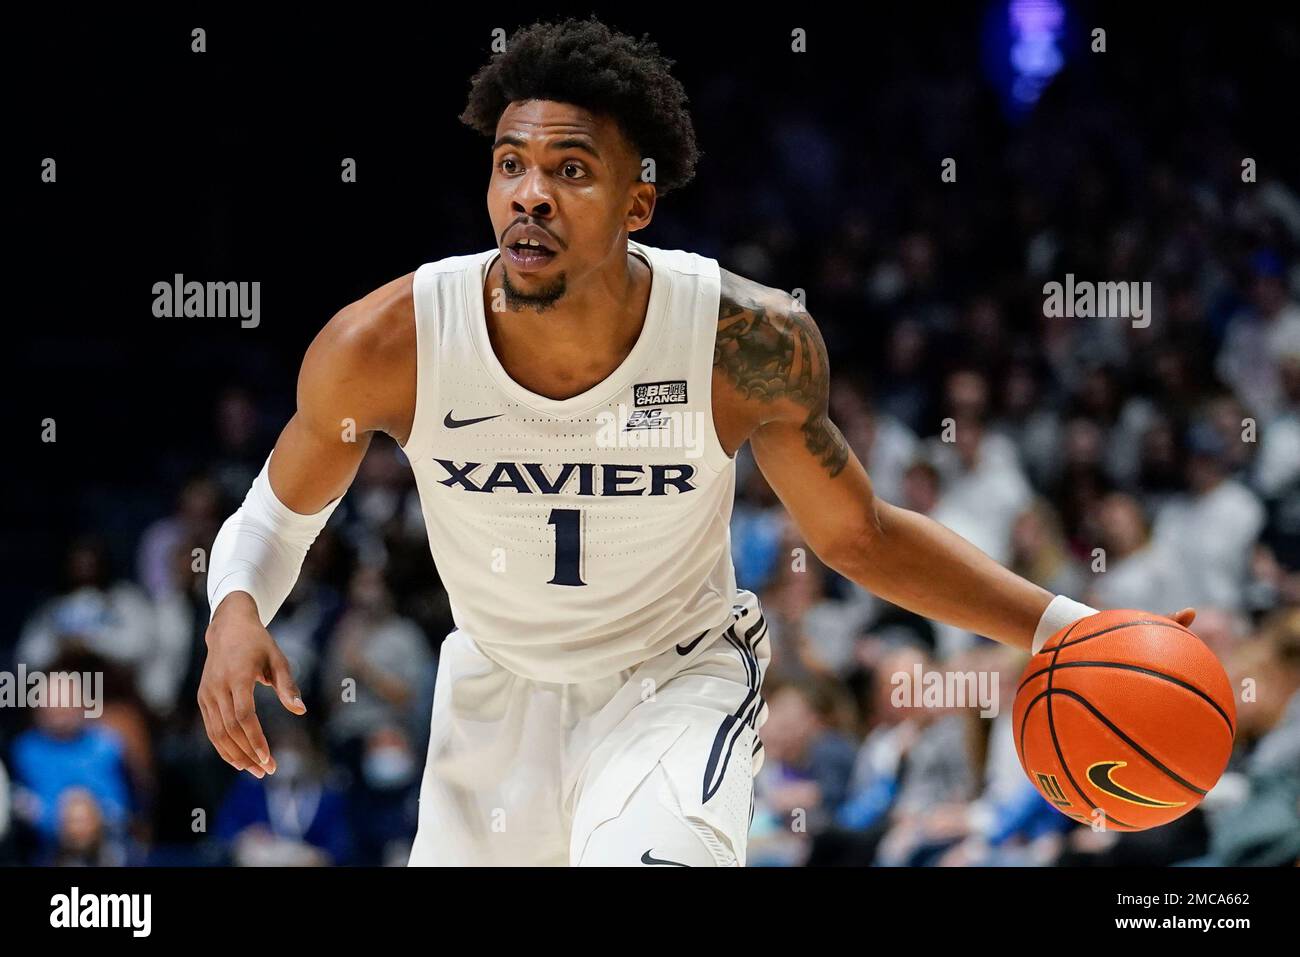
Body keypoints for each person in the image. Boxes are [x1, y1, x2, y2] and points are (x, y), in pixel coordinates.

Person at [197, 16, 1193, 867]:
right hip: (494, 693)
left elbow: (855, 538)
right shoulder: (387, 342)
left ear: (638, 202)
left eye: (569, 169)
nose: (529, 194)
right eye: (510, 166)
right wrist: (235, 612)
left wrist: (1063, 623)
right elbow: (278, 515)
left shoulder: (741, 343)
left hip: (673, 680)